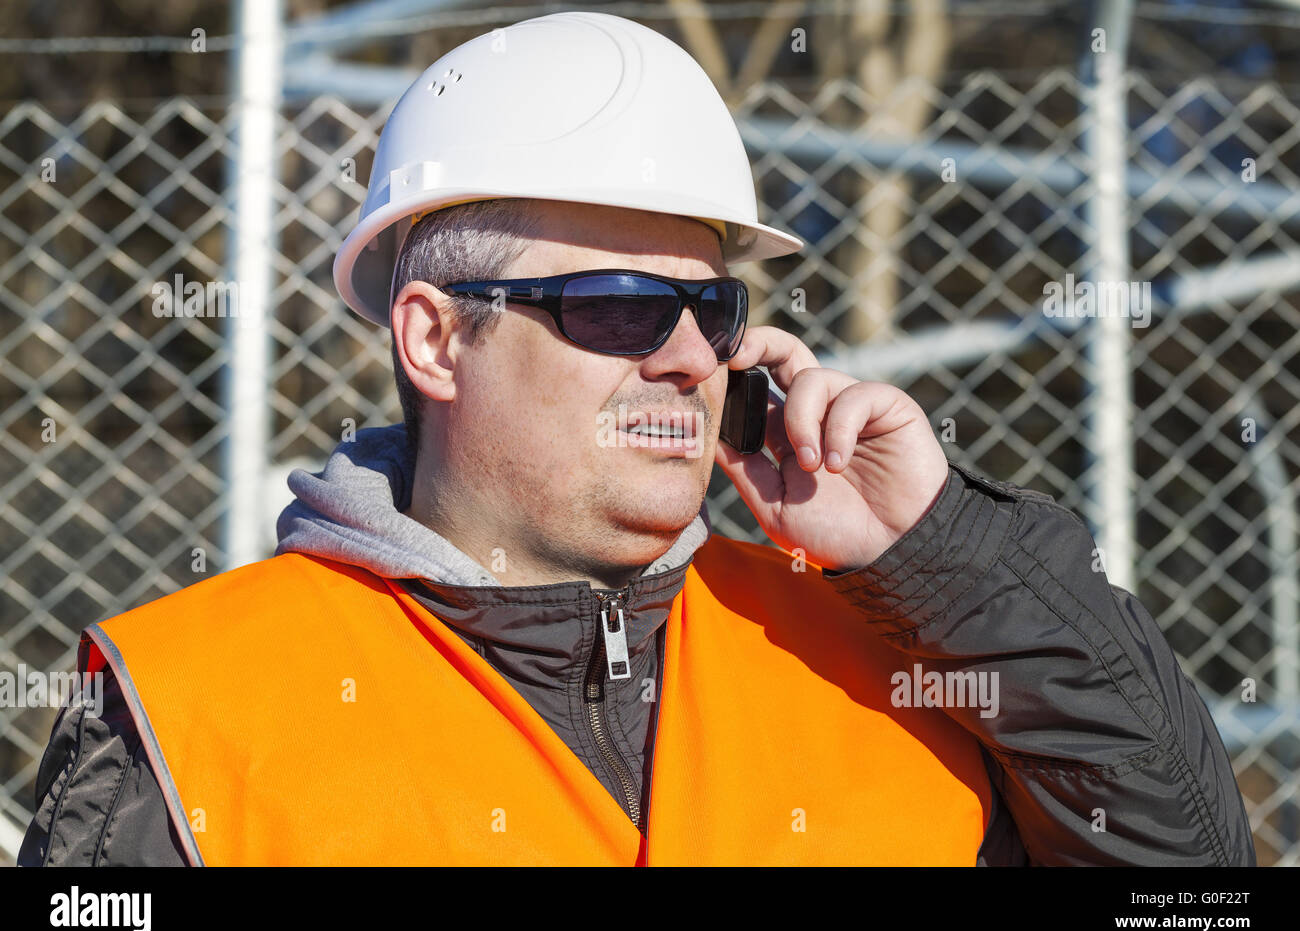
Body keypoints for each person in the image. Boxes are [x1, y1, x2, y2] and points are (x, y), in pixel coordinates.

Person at [21, 10, 1254, 866]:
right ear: (435, 339)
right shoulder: (191, 707)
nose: (683, 353)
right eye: (614, 303)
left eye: (712, 307)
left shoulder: (893, 643)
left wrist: (941, 548)